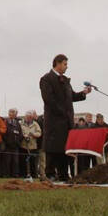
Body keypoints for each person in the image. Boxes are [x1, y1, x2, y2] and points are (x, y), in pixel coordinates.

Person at [39, 53, 91, 181]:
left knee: (64, 149)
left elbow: (71, 97)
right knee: (53, 148)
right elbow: (49, 100)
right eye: (65, 64)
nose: (66, 67)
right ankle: (50, 174)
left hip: (66, 122)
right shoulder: (47, 79)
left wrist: (83, 93)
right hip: (54, 121)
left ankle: (63, 174)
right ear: (57, 63)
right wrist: (63, 112)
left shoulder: (66, 81)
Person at [19, 110, 42, 177]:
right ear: (25, 117)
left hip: (33, 146)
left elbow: (39, 133)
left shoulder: (35, 124)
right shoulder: (21, 123)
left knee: (33, 162)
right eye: (27, 117)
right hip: (23, 146)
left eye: (30, 117)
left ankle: (34, 175)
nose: (29, 118)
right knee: (23, 161)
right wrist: (24, 135)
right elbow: (19, 132)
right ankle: (23, 175)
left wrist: (33, 134)